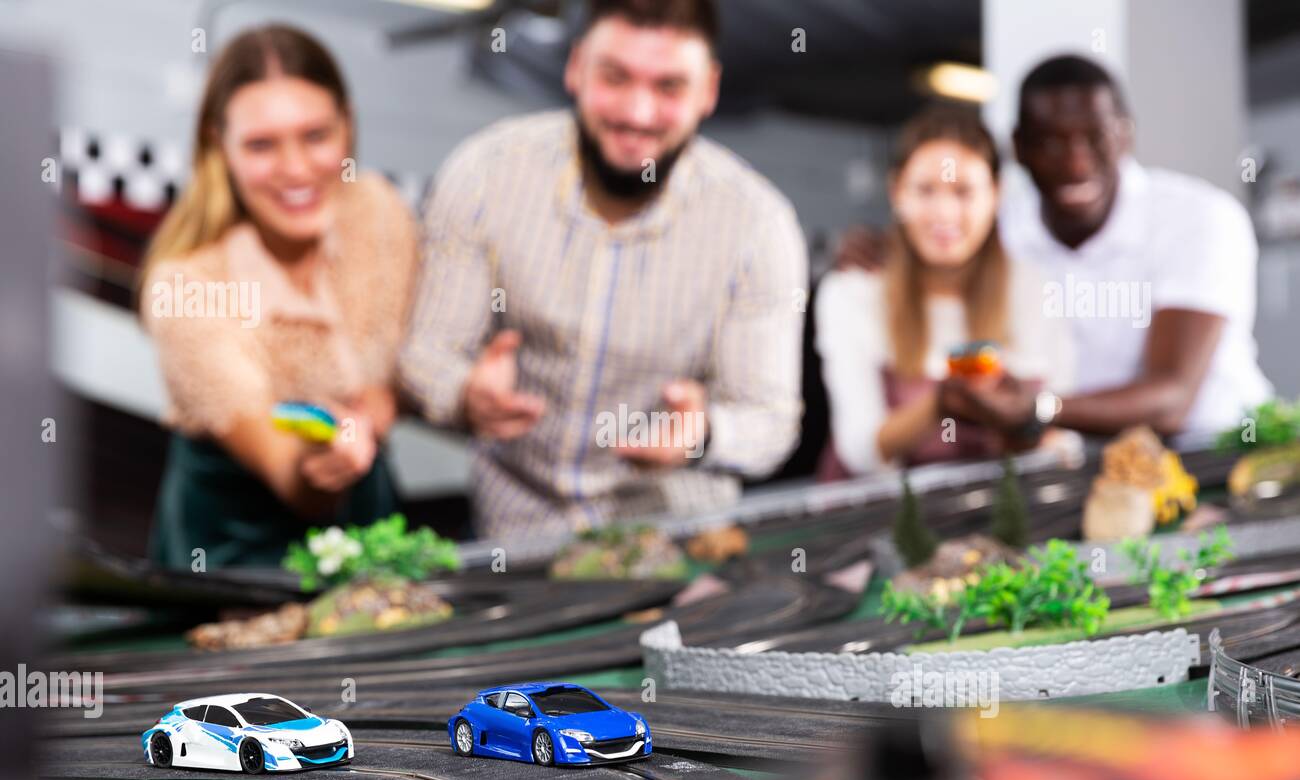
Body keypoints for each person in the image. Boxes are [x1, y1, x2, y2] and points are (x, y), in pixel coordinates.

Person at [400, 0, 807, 540]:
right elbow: (427, 355)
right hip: (516, 536)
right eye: (615, 77)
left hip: (675, 542)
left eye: (669, 87)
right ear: (575, 68)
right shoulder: (484, 174)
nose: (638, 114)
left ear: (708, 90)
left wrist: (702, 434)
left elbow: (771, 420)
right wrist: (462, 395)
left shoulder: (759, 226)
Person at [140, 25, 417, 569]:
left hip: (370, 531)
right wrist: (324, 462)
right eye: (262, 145)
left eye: (316, 135)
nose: (295, 169)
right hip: (235, 563)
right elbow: (296, 481)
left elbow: (403, 372)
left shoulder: (380, 213)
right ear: (220, 146)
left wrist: (384, 408)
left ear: (349, 124)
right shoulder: (188, 287)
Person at [936, 54, 1272, 444]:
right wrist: (881, 253)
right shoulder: (1004, 228)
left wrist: (1038, 408)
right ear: (1020, 146)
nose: (1076, 165)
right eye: (1050, 142)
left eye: (1095, 137)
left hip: (1217, 450)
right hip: (1088, 460)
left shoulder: (1199, 217)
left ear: (1125, 135)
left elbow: (1172, 399)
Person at [814, 106, 1072, 476]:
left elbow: (1060, 428)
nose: (944, 214)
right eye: (925, 190)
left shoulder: (1035, 289)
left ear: (996, 194)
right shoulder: (851, 292)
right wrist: (940, 404)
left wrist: (1027, 423)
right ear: (896, 193)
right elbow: (859, 453)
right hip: (877, 519)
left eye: (963, 191)